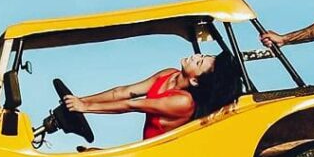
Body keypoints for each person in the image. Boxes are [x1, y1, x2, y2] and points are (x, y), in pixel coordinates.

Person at [62, 51, 243, 139]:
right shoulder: (168, 74)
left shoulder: (183, 101)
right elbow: (123, 92)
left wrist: (85, 107)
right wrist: (80, 99)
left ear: (195, 81)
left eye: (199, 61)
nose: (195, 56)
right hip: (143, 150)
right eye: (201, 55)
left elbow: (131, 105)